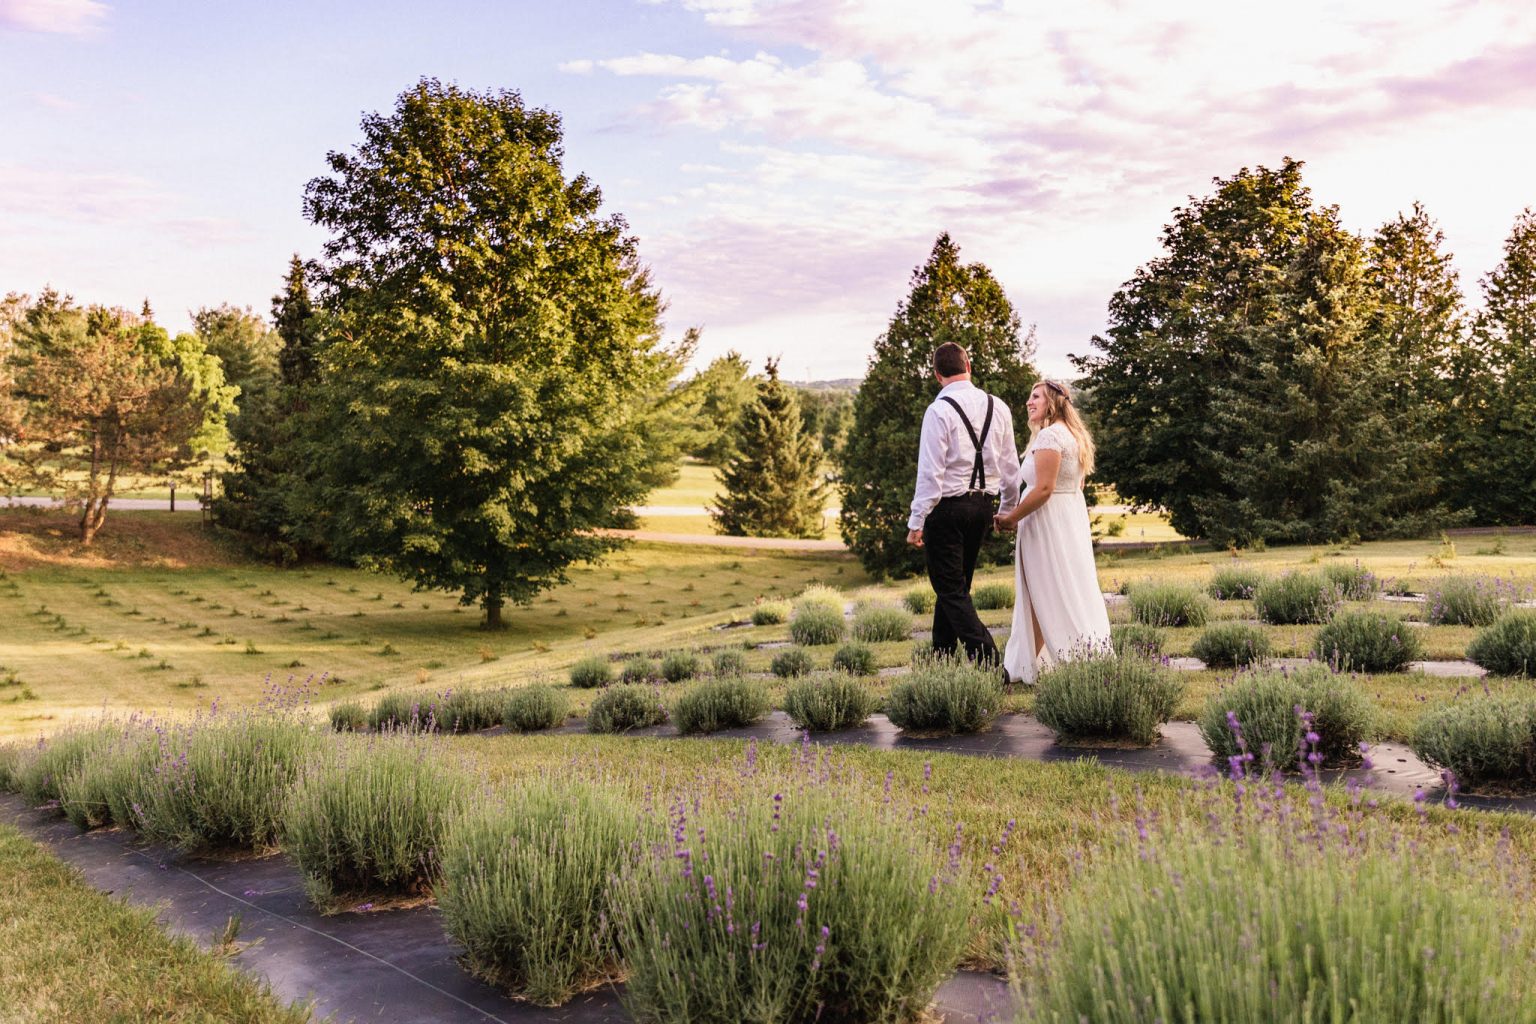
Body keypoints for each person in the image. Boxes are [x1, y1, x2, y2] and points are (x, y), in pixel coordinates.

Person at [906, 342, 1020, 665]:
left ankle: (991, 664)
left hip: (947, 511)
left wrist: (916, 523)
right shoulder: (998, 406)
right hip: (983, 509)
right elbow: (1010, 468)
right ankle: (941, 660)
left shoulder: (938, 411)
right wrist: (1006, 510)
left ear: (937, 374)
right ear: (968, 366)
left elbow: (930, 474)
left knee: (952, 590)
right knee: (955, 588)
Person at [992, 379, 1112, 684]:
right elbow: (1074, 486)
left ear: (1053, 403)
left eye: (1036, 397)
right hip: (1067, 522)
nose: (1029, 402)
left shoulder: (1049, 437)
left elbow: (1044, 488)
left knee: (1041, 590)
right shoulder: (1075, 436)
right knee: (1055, 588)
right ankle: (1027, 663)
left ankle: (1040, 661)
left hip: (1044, 524)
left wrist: (1011, 518)